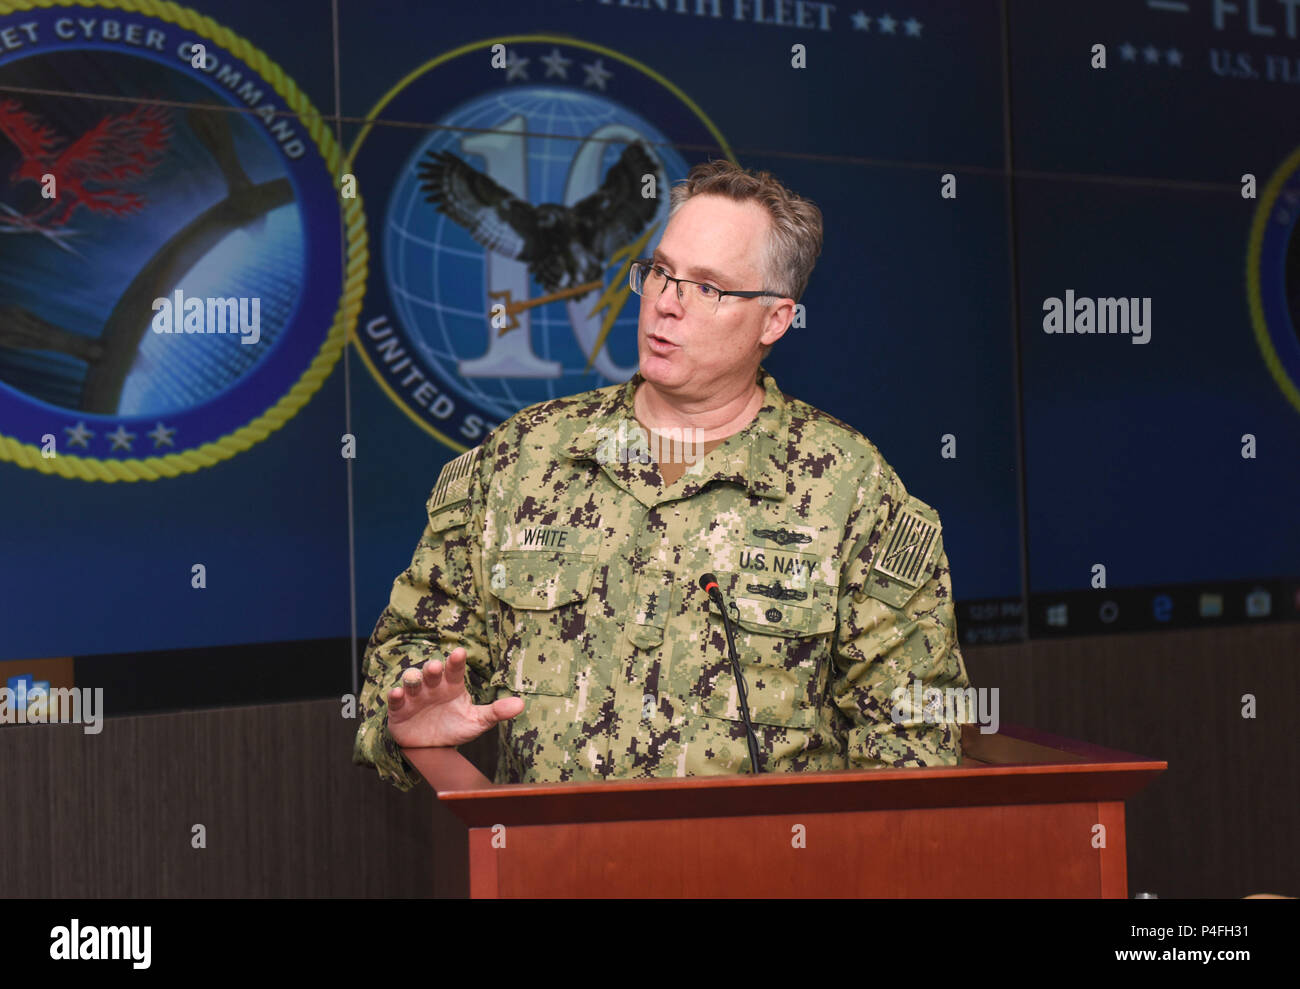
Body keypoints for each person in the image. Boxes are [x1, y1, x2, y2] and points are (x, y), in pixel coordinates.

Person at [353, 157, 972, 789]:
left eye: (708, 288)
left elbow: (911, 735)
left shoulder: (851, 488)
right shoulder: (525, 457)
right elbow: (412, 647)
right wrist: (425, 737)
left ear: (775, 319)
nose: (666, 306)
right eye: (660, 273)